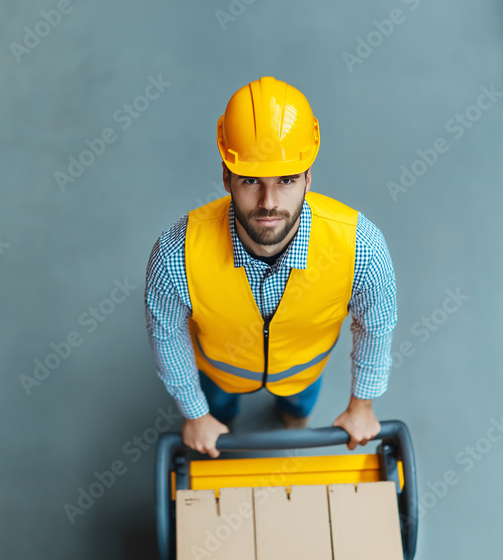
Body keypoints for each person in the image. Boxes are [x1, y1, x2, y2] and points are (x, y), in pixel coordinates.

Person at [144, 76, 397, 458]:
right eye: (250, 180)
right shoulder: (176, 254)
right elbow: (167, 335)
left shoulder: (361, 247)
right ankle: (220, 414)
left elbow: (375, 325)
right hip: (219, 375)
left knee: (296, 415)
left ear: (308, 178)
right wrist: (195, 415)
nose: (269, 203)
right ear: (227, 176)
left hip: (302, 374)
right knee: (219, 414)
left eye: (287, 180)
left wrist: (363, 404)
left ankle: (290, 423)